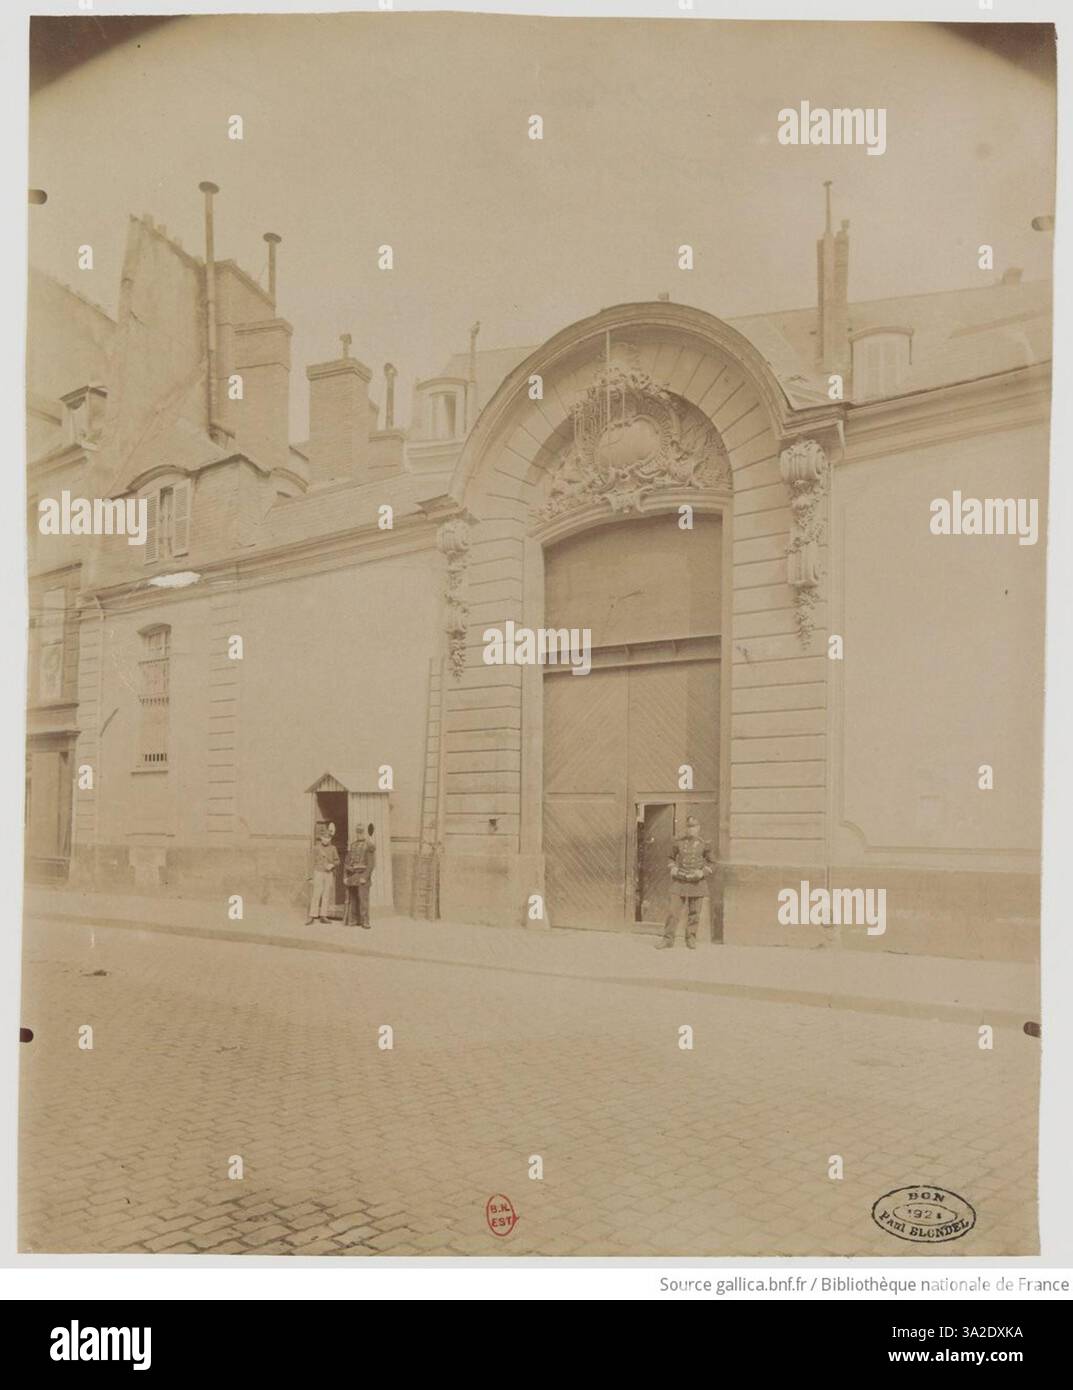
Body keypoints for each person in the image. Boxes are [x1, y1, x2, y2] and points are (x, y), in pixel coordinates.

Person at [656, 815, 713, 950]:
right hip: (679, 882)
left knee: (694, 913)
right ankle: (667, 939)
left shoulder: (705, 844)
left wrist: (702, 872)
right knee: (673, 912)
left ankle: (691, 938)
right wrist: (673, 867)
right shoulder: (678, 843)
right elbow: (670, 858)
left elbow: (712, 863)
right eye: (689, 827)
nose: (691, 830)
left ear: (698, 828)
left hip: (697, 883)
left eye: (693, 827)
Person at [343, 822, 376, 929]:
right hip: (353, 876)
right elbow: (346, 862)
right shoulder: (352, 845)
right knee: (353, 899)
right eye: (358, 832)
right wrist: (346, 877)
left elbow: (371, 864)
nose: (359, 834)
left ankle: (365, 921)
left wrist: (364, 877)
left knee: (363, 900)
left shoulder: (369, 846)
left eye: (361, 832)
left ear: (365, 833)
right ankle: (353, 920)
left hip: (362, 876)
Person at [306, 823, 340, 924]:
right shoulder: (316, 848)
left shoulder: (333, 848)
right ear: (321, 837)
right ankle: (312, 916)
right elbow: (311, 862)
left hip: (328, 874)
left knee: (326, 895)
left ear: (330, 838)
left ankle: (323, 916)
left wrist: (332, 865)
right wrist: (310, 877)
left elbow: (337, 861)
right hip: (318, 873)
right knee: (316, 894)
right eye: (324, 837)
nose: (326, 839)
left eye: (328, 837)